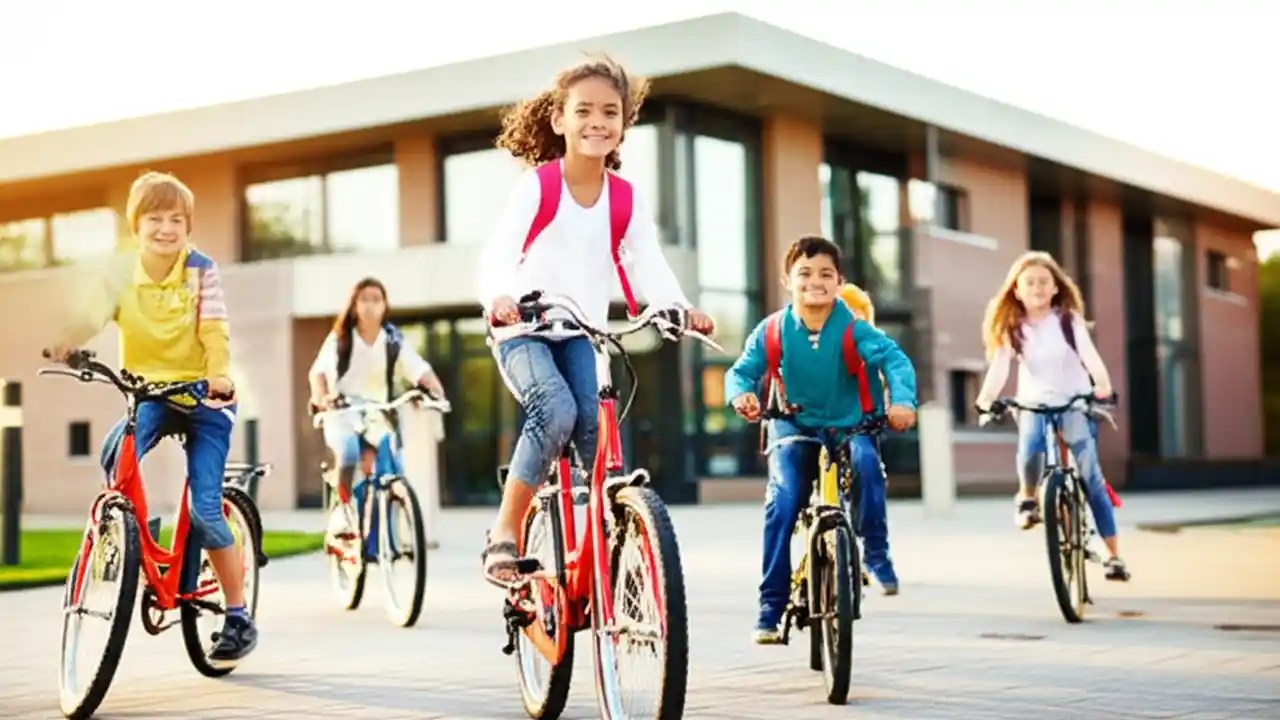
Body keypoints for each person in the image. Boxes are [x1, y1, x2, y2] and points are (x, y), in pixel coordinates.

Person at [476, 55, 714, 586]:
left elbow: (646, 260)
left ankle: (612, 558)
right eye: (584, 111)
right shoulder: (538, 187)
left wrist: (680, 307)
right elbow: (501, 252)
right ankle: (504, 533)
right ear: (559, 120)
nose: (597, 121)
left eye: (610, 111)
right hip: (524, 331)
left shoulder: (626, 197)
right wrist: (501, 297)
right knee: (554, 408)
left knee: (598, 429)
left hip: (582, 332)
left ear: (625, 123)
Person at [50, 170, 257, 662]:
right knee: (113, 456)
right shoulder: (123, 272)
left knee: (206, 513)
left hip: (204, 395)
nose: (167, 228)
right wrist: (69, 339)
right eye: (155, 218)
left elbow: (214, 331)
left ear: (188, 225)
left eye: (177, 219)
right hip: (149, 393)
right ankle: (134, 543)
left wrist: (220, 377)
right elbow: (95, 311)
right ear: (136, 225)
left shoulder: (200, 268)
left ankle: (237, 614)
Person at [724, 236, 918, 644]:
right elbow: (741, 372)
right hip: (793, 427)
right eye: (805, 273)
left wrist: (902, 401)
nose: (816, 281)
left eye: (826, 274)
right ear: (787, 281)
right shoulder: (772, 330)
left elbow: (894, 359)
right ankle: (771, 606)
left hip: (850, 425)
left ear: (839, 281)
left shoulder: (853, 328)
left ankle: (875, 552)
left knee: (867, 463)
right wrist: (740, 394)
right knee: (786, 496)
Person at [974, 250, 1130, 582]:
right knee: (1030, 446)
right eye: (1029, 282)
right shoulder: (1012, 328)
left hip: (1074, 403)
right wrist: (986, 399)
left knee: (1091, 477)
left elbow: (1090, 356)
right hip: (1035, 404)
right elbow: (1000, 368)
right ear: (1016, 290)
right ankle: (1027, 497)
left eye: (1044, 281)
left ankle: (1113, 555)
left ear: (1055, 288)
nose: (1037, 287)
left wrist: (1102, 385)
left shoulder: (1068, 321)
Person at [307, 277, 446, 539]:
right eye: (364, 299)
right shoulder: (341, 338)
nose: (371, 306)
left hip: (376, 411)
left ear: (385, 306)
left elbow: (419, 369)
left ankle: (384, 534)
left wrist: (436, 392)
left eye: (377, 299)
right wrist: (323, 398)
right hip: (342, 411)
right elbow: (319, 373)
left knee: (388, 457)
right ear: (354, 305)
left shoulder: (391, 339)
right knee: (347, 455)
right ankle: (344, 513)